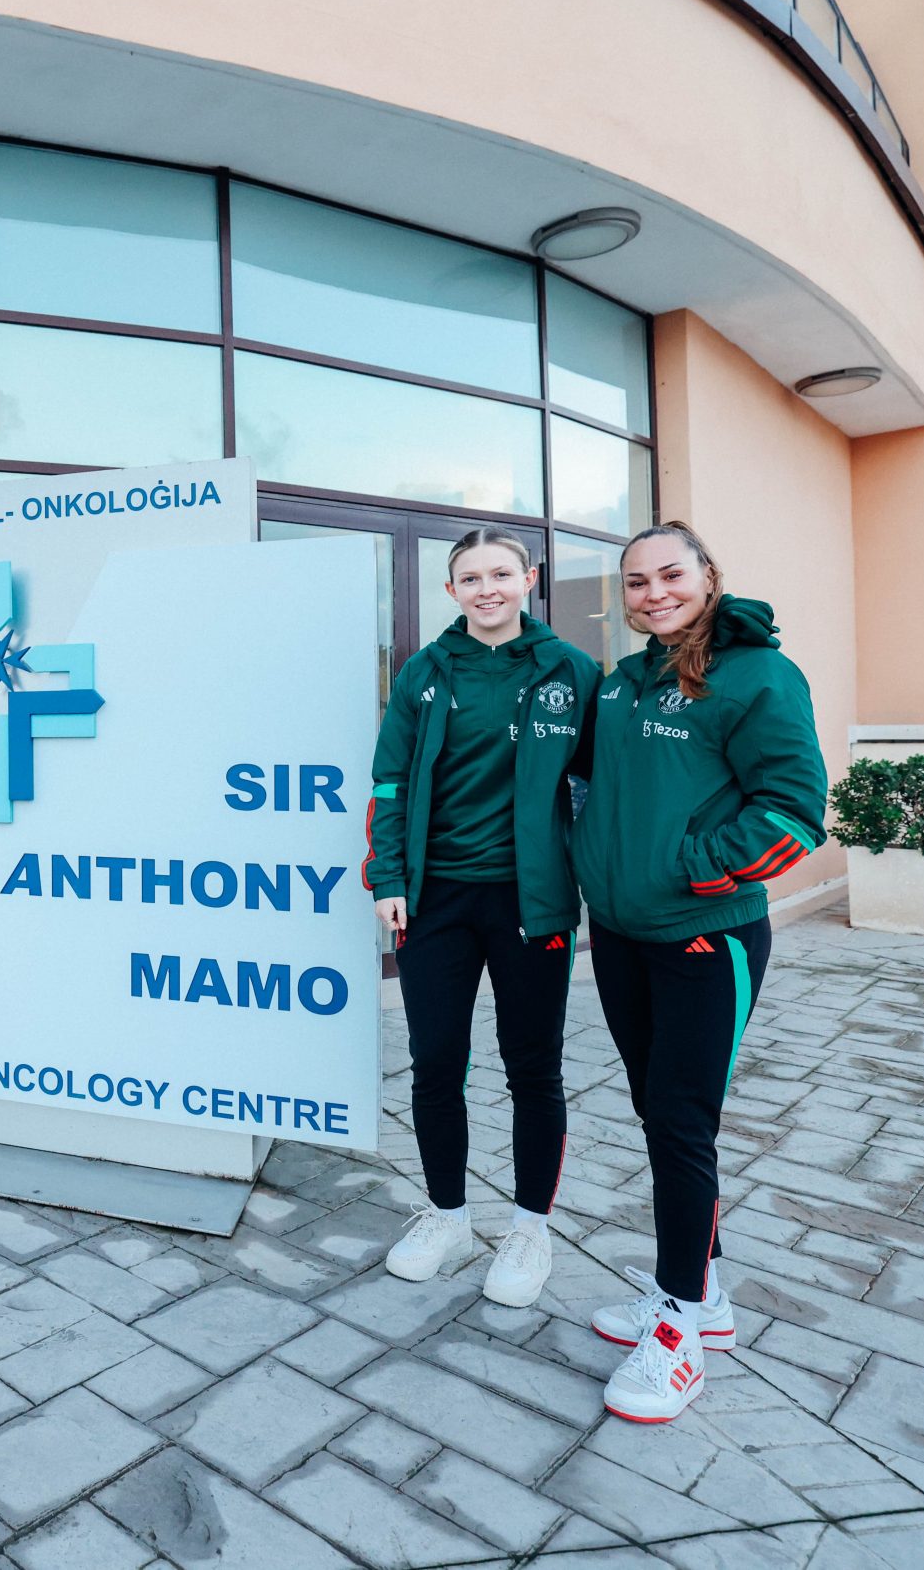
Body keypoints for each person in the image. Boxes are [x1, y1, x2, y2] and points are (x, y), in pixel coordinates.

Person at [569, 520, 827, 1424]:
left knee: (682, 1124)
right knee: (659, 1115)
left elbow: (794, 812)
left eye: (670, 575)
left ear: (708, 575)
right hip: (621, 937)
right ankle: (698, 1294)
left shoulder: (757, 675)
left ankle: (679, 1327)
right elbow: (595, 793)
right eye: (636, 582)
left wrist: (689, 868)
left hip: (702, 940)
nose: (653, 593)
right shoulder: (621, 683)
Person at [364, 528, 600, 1309]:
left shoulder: (572, 671)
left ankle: (529, 1227)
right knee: (436, 1064)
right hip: (436, 900)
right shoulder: (425, 673)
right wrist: (388, 876)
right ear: (452, 591)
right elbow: (390, 780)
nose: (488, 588)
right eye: (471, 577)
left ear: (528, 579)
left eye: (501, 573)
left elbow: (605, 785)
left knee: (532, 1067)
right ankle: (447, 1215)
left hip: (533, 903)